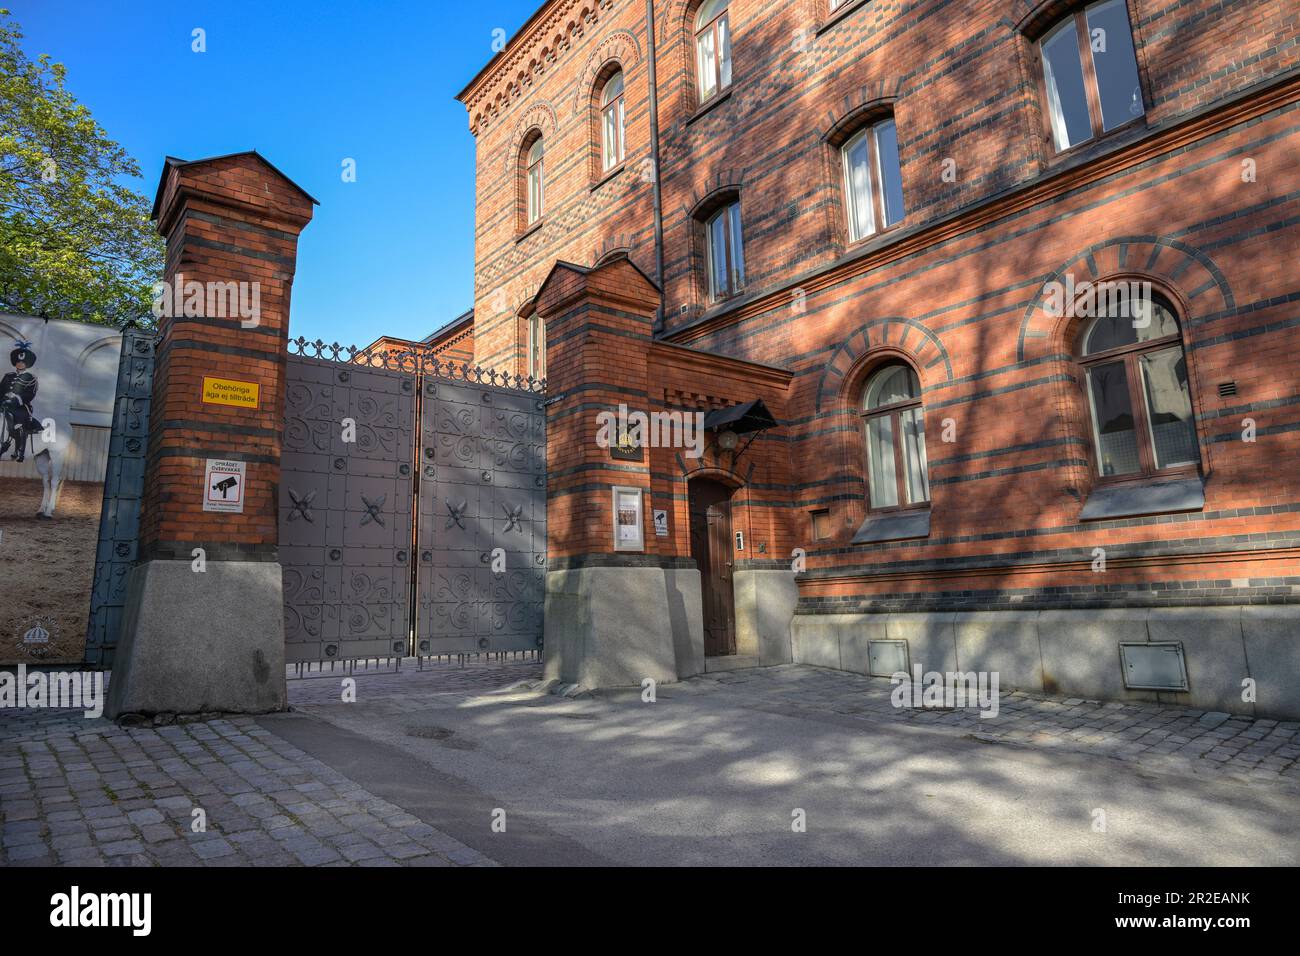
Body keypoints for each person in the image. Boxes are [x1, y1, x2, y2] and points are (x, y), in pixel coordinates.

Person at [0, 342, 39, 463]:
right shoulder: (8, 376)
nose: (20, 363)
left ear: (26, 364)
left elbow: (30, 394)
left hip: (21, 406)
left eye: (22, 362)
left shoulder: (31, 378)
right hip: (4, 404)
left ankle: (19, 451)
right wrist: (3, 400)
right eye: (18, 361)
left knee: (18, 422)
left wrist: (15, 399)